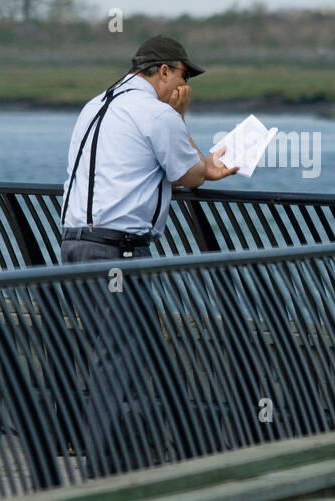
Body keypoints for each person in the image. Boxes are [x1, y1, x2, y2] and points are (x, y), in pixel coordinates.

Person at [60, 36, 239, 478]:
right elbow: (188, 175)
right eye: (183, 75)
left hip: (74, 243)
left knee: (116, 353)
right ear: (164, 70)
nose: (185, 85)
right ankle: (107, 469)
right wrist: (182, 120)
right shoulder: (157, 112)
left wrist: (195, 159)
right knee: (120, 357)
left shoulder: (96, 104)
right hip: (117, 250)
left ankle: (130, 460)